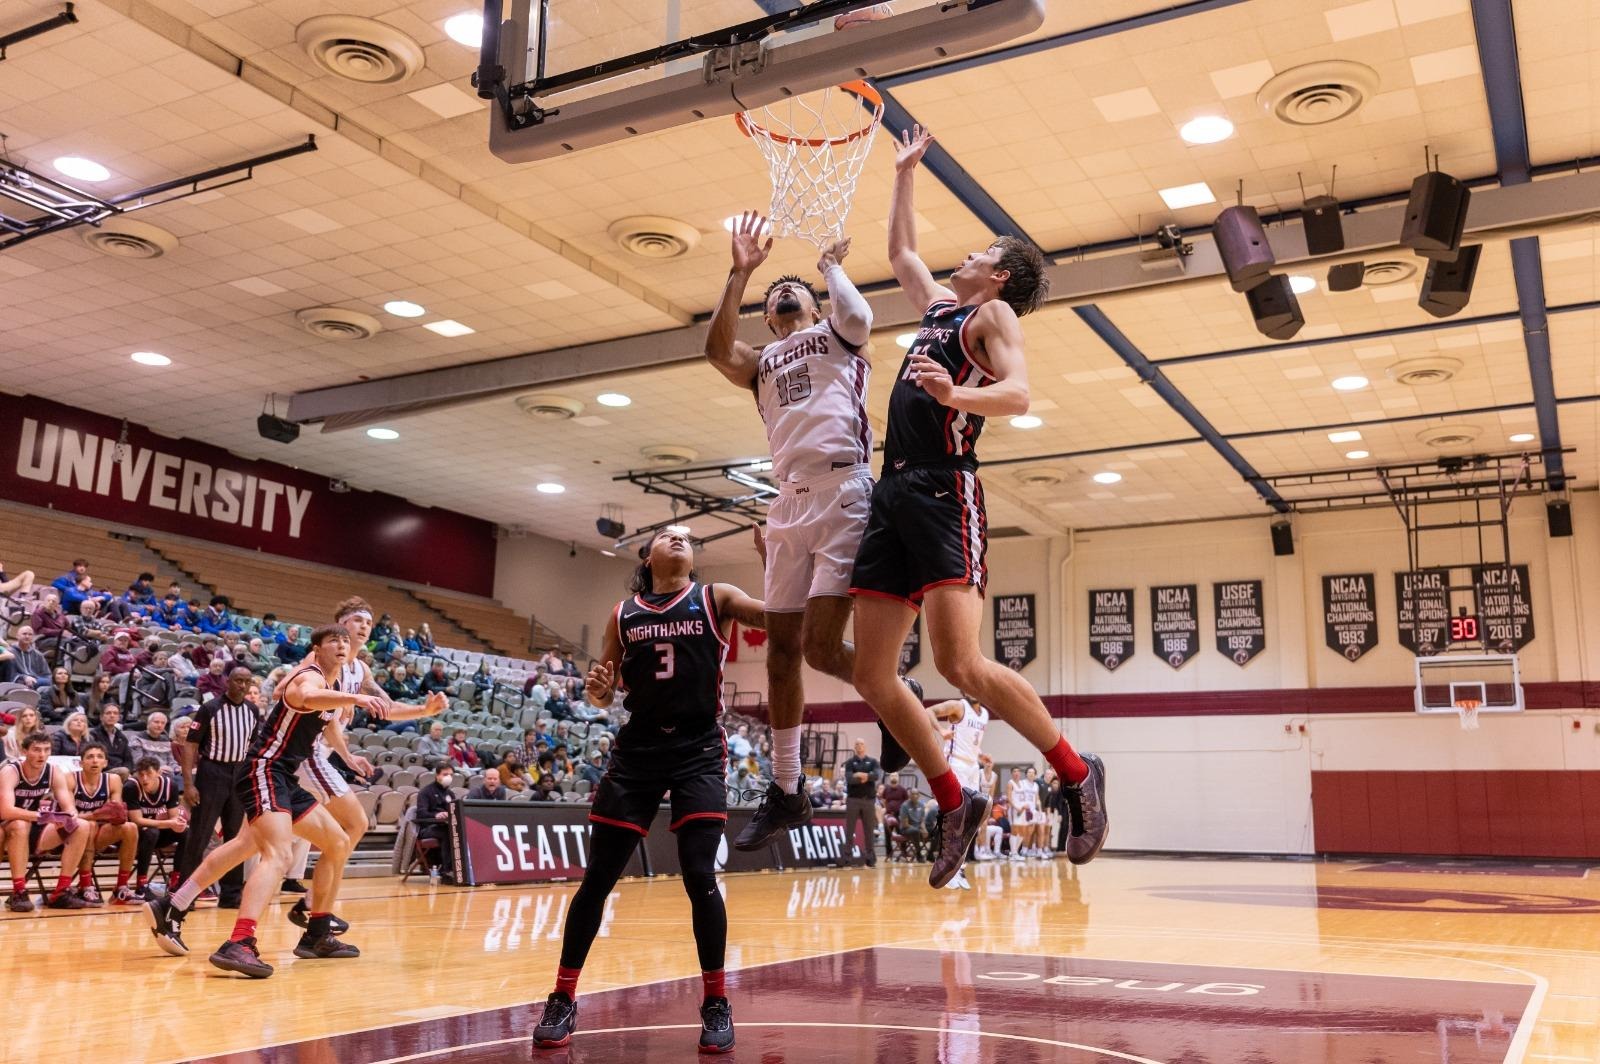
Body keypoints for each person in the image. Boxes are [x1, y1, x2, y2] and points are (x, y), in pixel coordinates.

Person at [846, 124, 1108, 886]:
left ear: (997, 276)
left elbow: (1021, 395)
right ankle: (954, 797)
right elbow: (900, 254)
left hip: (944, 485)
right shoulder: (936, 310)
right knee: (872, 675)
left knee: (960, 663)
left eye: (981, 252)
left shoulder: (993, 318)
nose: (966, 255)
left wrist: (953, 392)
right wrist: (903, 174)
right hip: (894, 489)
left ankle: (1074, 772)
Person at [532, 527, 766, 1054]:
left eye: (688, 537)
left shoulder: (717, 598)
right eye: (668, 535)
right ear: (648, 554)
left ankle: (716, 1002)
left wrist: (777, 564)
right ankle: (563, 997)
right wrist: (597, 691)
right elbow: (603, 688)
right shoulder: (623, 614)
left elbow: (773, 618)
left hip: (699, 749)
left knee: (701, 875)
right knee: (597, 880)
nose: (681, 538)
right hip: (637, 750)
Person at [706, 213, 875, 852]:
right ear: (769, 315)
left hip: (844, 490)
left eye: (793, 287)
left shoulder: (837, 332)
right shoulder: (762, 360)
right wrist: (740, 270)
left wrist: (830, 266)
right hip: (787, 504)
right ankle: (785, 788)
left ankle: (891, 691)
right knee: (780, 653)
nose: (783, 293)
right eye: (774, 294)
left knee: (823, 650)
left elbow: (859, 321)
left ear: (809, 304)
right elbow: (717, 351)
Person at [144, 625, 384, 976]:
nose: (342, 645)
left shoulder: (332, 688)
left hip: (283, 777)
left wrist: (418, 714)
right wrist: (357, 699)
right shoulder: (306, 676)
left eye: (346, 641)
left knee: (334, 841)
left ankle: (314, 932)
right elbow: (310, 698)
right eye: (334, 639)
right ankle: (239, 942)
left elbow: (327, 719)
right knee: (278, 853)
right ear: (316, 649)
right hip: (264, 769)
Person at [289, 598, 441, 928]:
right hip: (302, 754)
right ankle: (315, 911)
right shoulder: (319, 659)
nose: (363, 626)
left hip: (319, 754)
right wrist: (341, 703)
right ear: (340, 624)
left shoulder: (361, 669)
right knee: (354, 825)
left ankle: (312, 908)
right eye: (356, 619)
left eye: (368, 623)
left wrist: (423, 711)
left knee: (257, 843)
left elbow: (385, 707)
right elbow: (286, 693)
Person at [171, 667, 257, 909]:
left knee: (235, 838)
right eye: (238, 680)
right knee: (200, 834)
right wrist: (188, 783)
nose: (242, 685)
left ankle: (231, 894)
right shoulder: (210, 709)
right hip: (212, 772)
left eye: (247, 681)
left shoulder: (252, 711)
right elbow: (190, 746)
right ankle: (184, 895)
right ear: (227, 682)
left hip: (239, 774)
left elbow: (254, 748)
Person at [2, 730, 91, 910]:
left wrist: (69, 816)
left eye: (46, 750)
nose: (42, 755)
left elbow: (68, 804)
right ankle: (19, 892)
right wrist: (44, 816)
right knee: (20, 824)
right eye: (36, 750)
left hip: (34, 826)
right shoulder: (10, 771)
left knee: (81, 825)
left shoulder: (53, 771)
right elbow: (6, 811)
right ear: (24, 750)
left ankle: (61, 892)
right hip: (6, 828)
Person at [72, 743, 138, 904]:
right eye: (90, 757)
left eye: (99, 757)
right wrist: (96, 815)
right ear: (81, 763)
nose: (95, 761)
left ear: (106, 763)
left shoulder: (113, 780)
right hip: (73, 833)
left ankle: (121, 887)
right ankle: (86, 886)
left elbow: (116, 814)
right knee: (89, 826)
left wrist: (93, 815)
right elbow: (70, 817)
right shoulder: (71, 778)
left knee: (131, 827)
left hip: (99, 831)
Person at [126, 757, 188, 896]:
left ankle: (176, 881)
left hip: (156, 832)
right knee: (151, 832)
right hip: (134, 836)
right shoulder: (131, 787)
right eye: (141, 774)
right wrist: (168, 823)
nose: (145, 778)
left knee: (186, 832)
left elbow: (173, 817)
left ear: (159, 772)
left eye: (149, 774)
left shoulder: (170, 785)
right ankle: (141, 884)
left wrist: (178, 824)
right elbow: (137, 820)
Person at [414, 763, 456, 881]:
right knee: (447, 833)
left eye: (451, 775)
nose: (449, 777)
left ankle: (461, 868)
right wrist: (436, 815)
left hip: (445, 826)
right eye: (445, 774)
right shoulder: (425, 792)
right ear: (437, 775)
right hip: (427, 829)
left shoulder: (450, 794)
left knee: (456, 831)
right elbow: (421, 813)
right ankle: (447, 871)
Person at [90, 703, 135, 775]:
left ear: (118, 718)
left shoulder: (122, 737)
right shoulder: (93, 735)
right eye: (108, 713)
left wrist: (128, 771)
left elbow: (128, 760)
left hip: (122, 771)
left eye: (115, 713)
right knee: (123, 771)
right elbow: (96, 758)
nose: (112, 715)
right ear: (101, 717)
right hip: (103, 771)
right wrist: (120, 770)